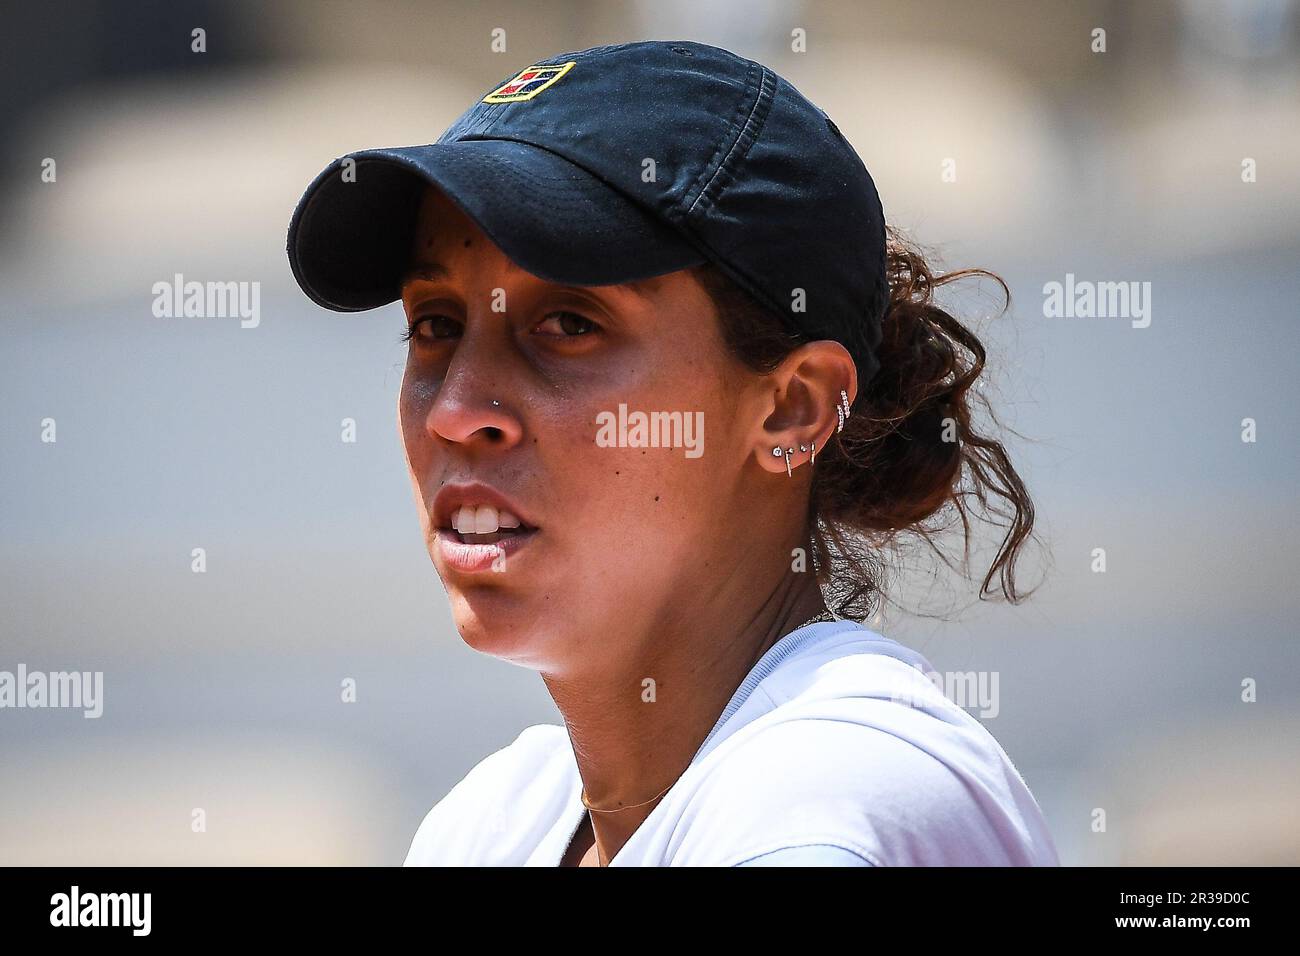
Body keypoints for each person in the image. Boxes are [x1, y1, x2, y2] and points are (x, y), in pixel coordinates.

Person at [286, 39, 1059, 866]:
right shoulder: (487, 824)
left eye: (571, 324)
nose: (456, 409)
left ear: (792, 409)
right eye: (436, 323)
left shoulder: (827, 810)